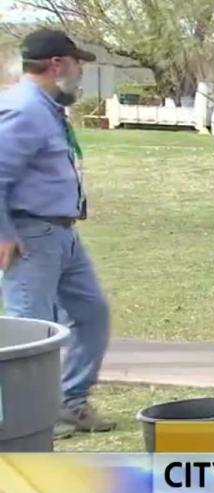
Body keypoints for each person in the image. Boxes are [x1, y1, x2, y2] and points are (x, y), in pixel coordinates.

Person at [0, 29, 113, 438]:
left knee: (90, 315)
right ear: (57, 64)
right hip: (30, 235)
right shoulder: (24, 109)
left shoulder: (47, 108)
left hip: (63, 235)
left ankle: (69, 402)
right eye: (77, 63)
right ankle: (26, 422)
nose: (81, 72)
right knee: (29, 336)